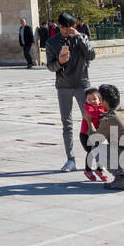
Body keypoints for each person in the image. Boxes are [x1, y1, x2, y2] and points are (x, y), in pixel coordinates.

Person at [46, 12, 97, 172]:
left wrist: (80, 37)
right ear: (59, 26)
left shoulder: (80, 38)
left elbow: (91, 55)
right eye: (65, 28)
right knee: (67, 123)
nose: (69, 30)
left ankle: (94, 157)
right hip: (64, 86)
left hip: (82, 84)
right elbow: (50, 66)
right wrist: (60, 62)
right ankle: (70, 159)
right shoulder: (52, 43)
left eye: (72, 27)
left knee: (90, 120)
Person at [80, 88, 109, 182]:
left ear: (99, 99)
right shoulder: (87, 107)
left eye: (94, 98)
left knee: (100, 151)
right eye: (89, 99)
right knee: (90, 152)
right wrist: (103, 114)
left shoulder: (102, 106)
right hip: (86, 134)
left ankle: (99, 170)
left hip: (97, 134)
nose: (92, 101)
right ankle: (88, 170)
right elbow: (91, 113)